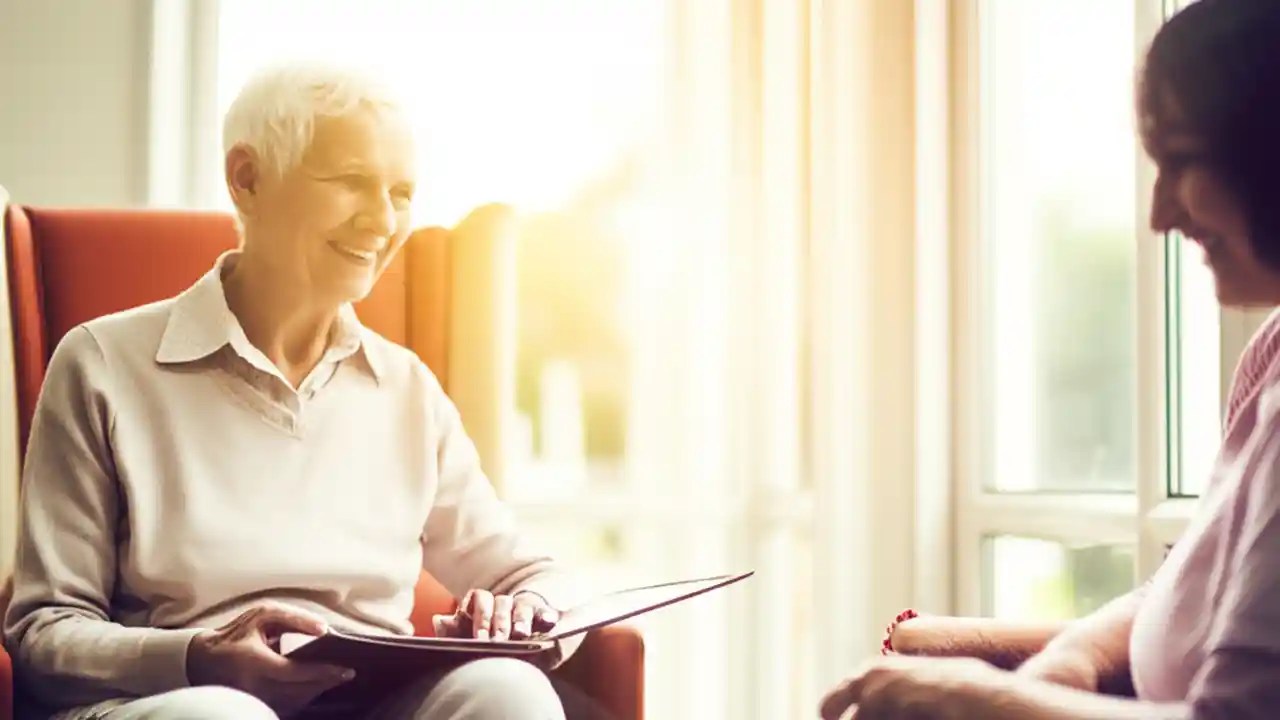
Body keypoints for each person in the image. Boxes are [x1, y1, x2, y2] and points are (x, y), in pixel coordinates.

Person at [2, 63, 608, 720]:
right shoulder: (101, 365)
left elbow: (534, 575)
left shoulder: (407, 390)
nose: (382, 220)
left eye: (401, 192)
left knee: (507, 693)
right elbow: (42, 632)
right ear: (248, 179)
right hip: (175, 703)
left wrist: (526, 608)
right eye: (351, 182)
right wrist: (197, 656)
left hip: (368, 704)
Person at [819, 1, 1280, 718]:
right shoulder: (1272, 352)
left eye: (1182, 162)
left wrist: (984, 699)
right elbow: (1200, 588)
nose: (1159, 214)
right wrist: (1080, 652)